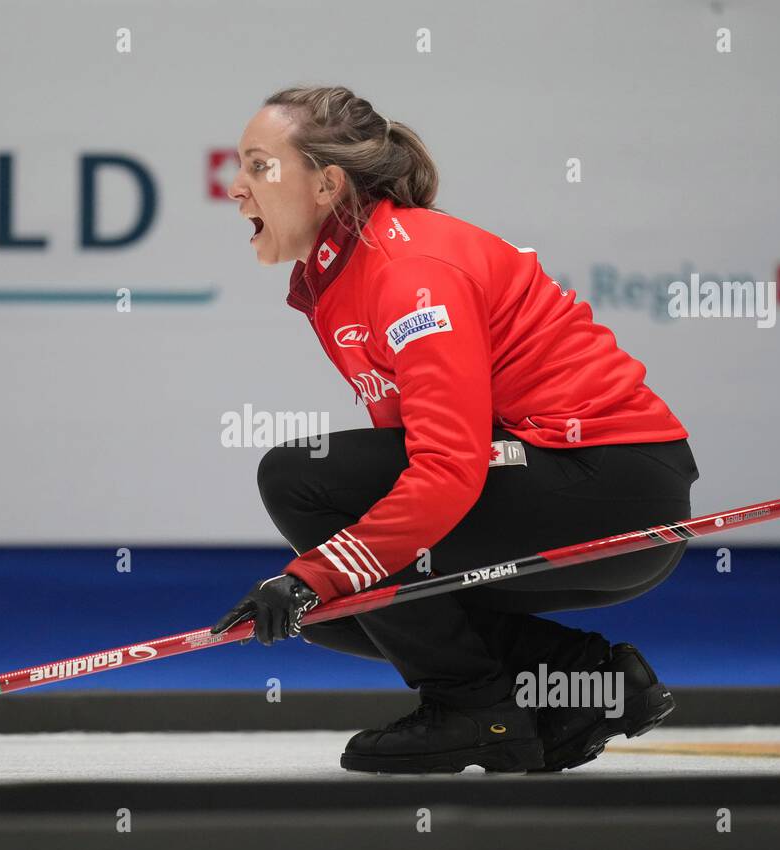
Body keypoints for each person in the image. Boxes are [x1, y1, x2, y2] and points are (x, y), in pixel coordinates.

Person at [212, 86, 699, 774]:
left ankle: (474, 711)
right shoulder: (341, 276)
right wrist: (323, 583)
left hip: (610, 483)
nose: (235, 189)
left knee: (299, 481)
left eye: (259, 166)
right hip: (561, 480)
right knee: (341, 606)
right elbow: (418, 470)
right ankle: (580, 686)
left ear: (326, 184)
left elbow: (446, 468)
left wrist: (312, 572)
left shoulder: (409, 273)